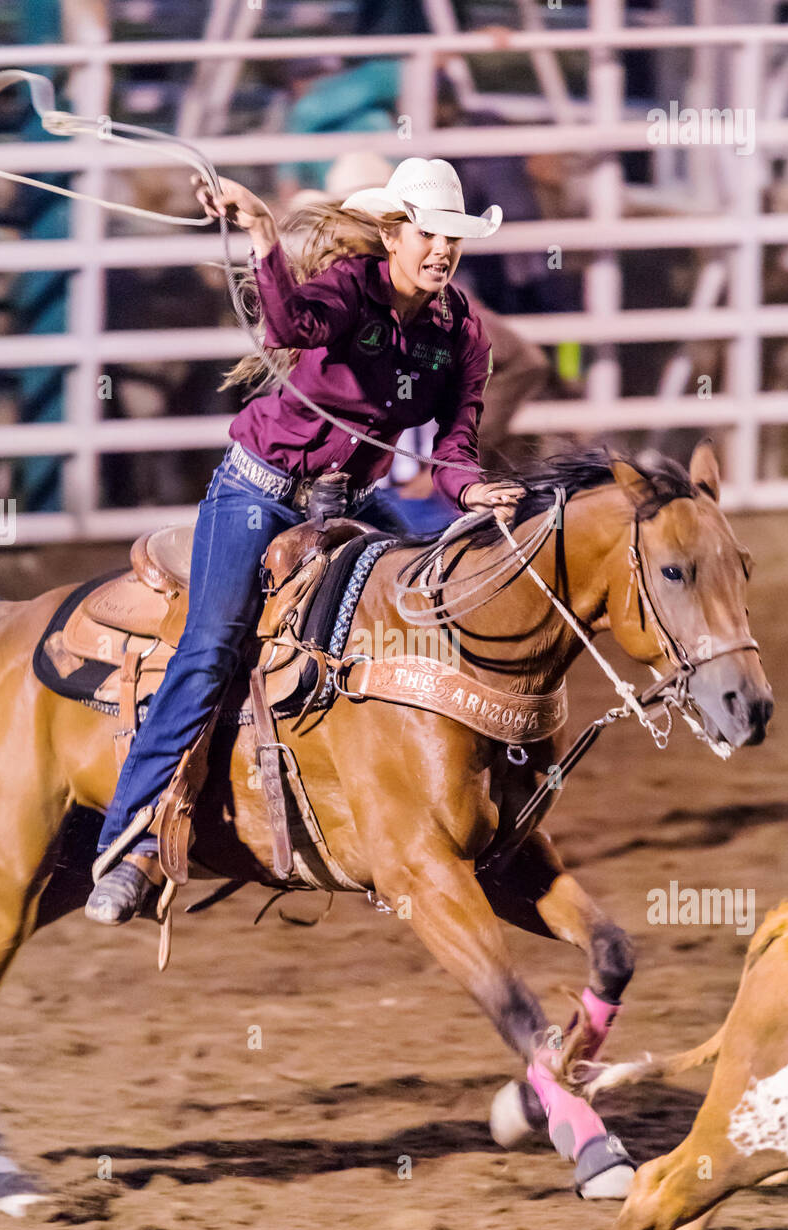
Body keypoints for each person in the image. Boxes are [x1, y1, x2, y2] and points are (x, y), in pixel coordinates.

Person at [86, 157, 526, 925]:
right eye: (428, 233)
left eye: (453, 238)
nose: (442, 251)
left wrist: (473, 489)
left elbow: (454, 446)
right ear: (393, 233)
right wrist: (261, 231)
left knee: (426, 619)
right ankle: (130, 843)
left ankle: (414, 822)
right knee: (212, 645)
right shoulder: (350, 287)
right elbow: (290, 326)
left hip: (350, 506)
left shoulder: (460, 330)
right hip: (257, 496)